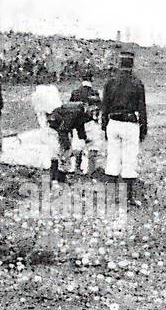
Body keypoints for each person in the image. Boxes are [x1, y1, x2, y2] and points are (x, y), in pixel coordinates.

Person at [100, 48, 147, 205]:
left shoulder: (110, 82)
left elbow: (104, 107)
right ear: (132, 64)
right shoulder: (137, 83)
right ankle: (128, 198)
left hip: (113, 123)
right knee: (129, 160)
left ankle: (110, 197)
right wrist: (143, 129)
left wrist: (104, 126)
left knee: (112, 158)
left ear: (119, 63)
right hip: (129, 124)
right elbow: (142, 108)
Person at [45, 101, 92, 184]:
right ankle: (57, 179)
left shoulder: (80, 114)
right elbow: (63, 129)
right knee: (60, 153)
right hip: (55, 127)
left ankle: (58, 177)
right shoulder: (75, 113)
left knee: (64, 153)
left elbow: (80, 126)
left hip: (60, 126)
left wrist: (84, 139)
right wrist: (66, 146)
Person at [69, 75, 102, 174]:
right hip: (91, 123)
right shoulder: (95, 93)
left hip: (78, 122)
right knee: (93, 146)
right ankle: (91, 171)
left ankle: (77, 167)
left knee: (77, 145)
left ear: (81, 79)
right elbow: (99, 109)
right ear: (92, 80)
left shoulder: (75, 93)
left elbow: (70, 109)